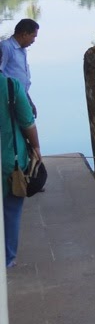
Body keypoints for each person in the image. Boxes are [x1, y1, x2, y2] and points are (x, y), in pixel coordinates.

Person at [1, 75, 40, 267]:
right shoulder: (10, 85)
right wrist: (36, 148)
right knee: (11, 212)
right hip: (11, 163)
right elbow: (28, 122)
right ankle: (7, 260)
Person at [0, 18, 39, 115]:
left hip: (21, 97)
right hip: (10, 100)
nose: (33, 41)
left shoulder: (22, 50)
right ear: (24, 34)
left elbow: (21, 81)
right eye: (33, 36)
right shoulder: (6, 47)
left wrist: (29, 102)